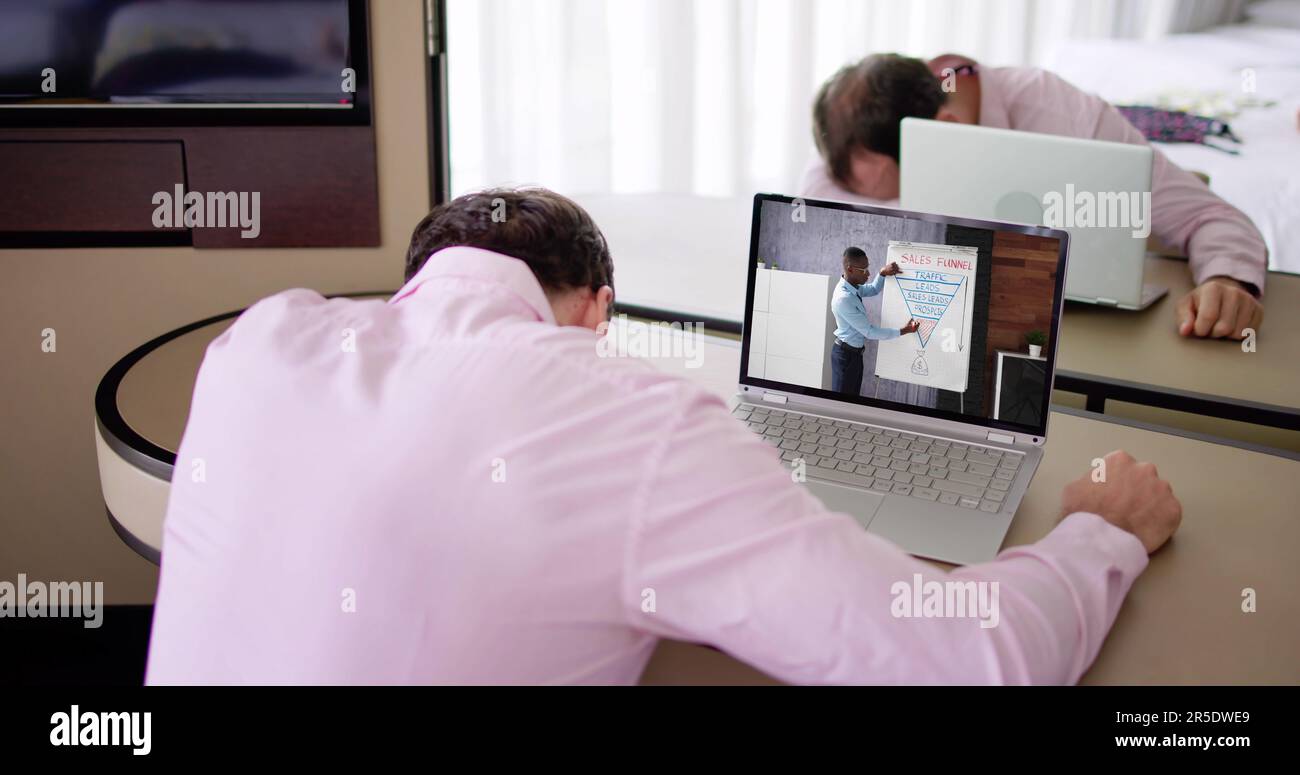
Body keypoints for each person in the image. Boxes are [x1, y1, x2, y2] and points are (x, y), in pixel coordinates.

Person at [146, 187, 1181, 685]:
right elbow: (964, 664)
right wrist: (1102, 533)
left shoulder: (253, 346)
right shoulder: (629, 421)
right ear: (598, 313)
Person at [805, 53, 1266, 340]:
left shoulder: (1061, 112)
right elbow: (820, 219)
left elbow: (1210, 217)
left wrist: (1229, 282)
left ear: (943, 132)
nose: (874, 199)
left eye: (885, 189)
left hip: (1089, 345)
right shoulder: (863, 136)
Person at [830, 246, 918, 395]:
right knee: (841, 406)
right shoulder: (843, 298)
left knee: (853, 401)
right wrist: (904, 330)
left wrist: (882, 273)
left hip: (855, 355)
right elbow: (869, 332)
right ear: (850, 269)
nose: (868, 273)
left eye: (868, 268)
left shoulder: (852, 286)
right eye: (864, 270)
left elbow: (873, 289)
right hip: (845, 357)